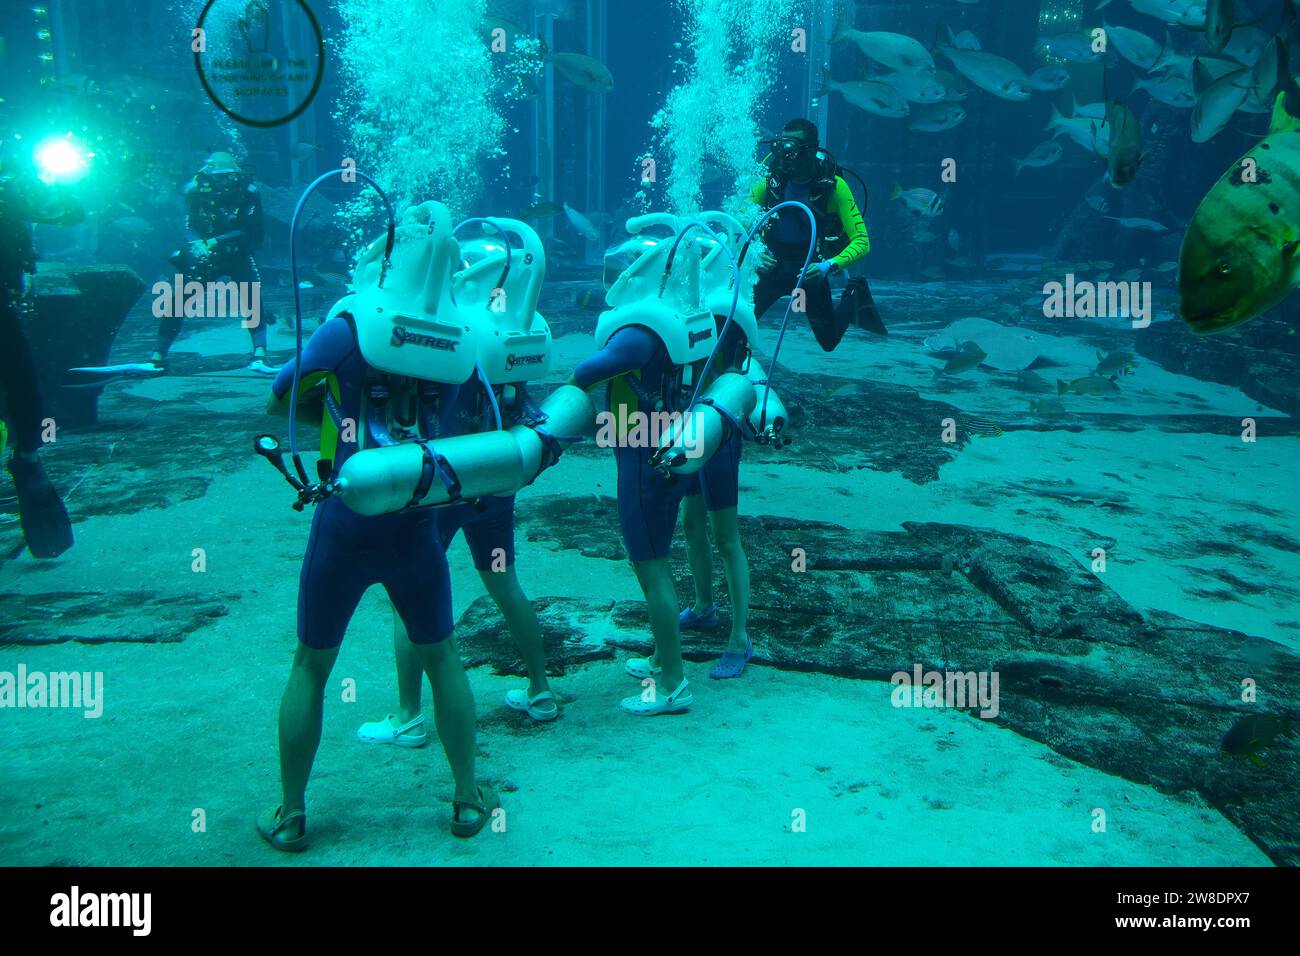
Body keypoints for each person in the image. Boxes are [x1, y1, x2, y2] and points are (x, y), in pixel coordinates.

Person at [257, 204, 497, 851]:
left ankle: (290, 813)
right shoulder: (463, 335)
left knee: (311, 664)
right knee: (443, 656)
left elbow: (281, 395)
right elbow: (478, 413)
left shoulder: (351, 327)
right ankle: (467, 800)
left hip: (346, 521)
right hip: (418, 521)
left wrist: (337, 411)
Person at [357, 375, 558, 748]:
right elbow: (523, 403)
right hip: (494, 477)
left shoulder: (447, 343)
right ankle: (540, 691)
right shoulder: (500, 335)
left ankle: (408, 715)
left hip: (445, 486)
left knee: (408, 600)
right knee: (505, 583)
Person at [0, 159, 85, 559]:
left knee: (24, 395)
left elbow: (69, 214)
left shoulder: (12, 190)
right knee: (22, 394)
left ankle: (28, 457)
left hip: (4, 304)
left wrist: (48, 183)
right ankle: (27, 455)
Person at [747, 118, 873, 352]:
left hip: (811, 271)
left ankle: (855, 292)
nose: (785, 158)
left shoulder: (834, 187)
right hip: (771, 267)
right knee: (739, 324)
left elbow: (862, 241)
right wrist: (754, 254)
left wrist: (829, 266)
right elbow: (738, 223)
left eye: (793, 149)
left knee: (829, 341)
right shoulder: (769, 182)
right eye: (782, 148)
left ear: (812, 149)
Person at [151, 152, 277, 373]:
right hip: (206, 252)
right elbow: (189, 225)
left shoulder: (249, 193)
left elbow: (250, 229)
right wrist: (198, 246)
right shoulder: (195, 191)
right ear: (209, 176)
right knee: (180, 298)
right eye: (219, 177)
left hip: (237, 252)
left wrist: (215, 241)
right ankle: (158, 354)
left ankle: (260, 353)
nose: (225, 182)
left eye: (229, 176)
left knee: (252, 300)